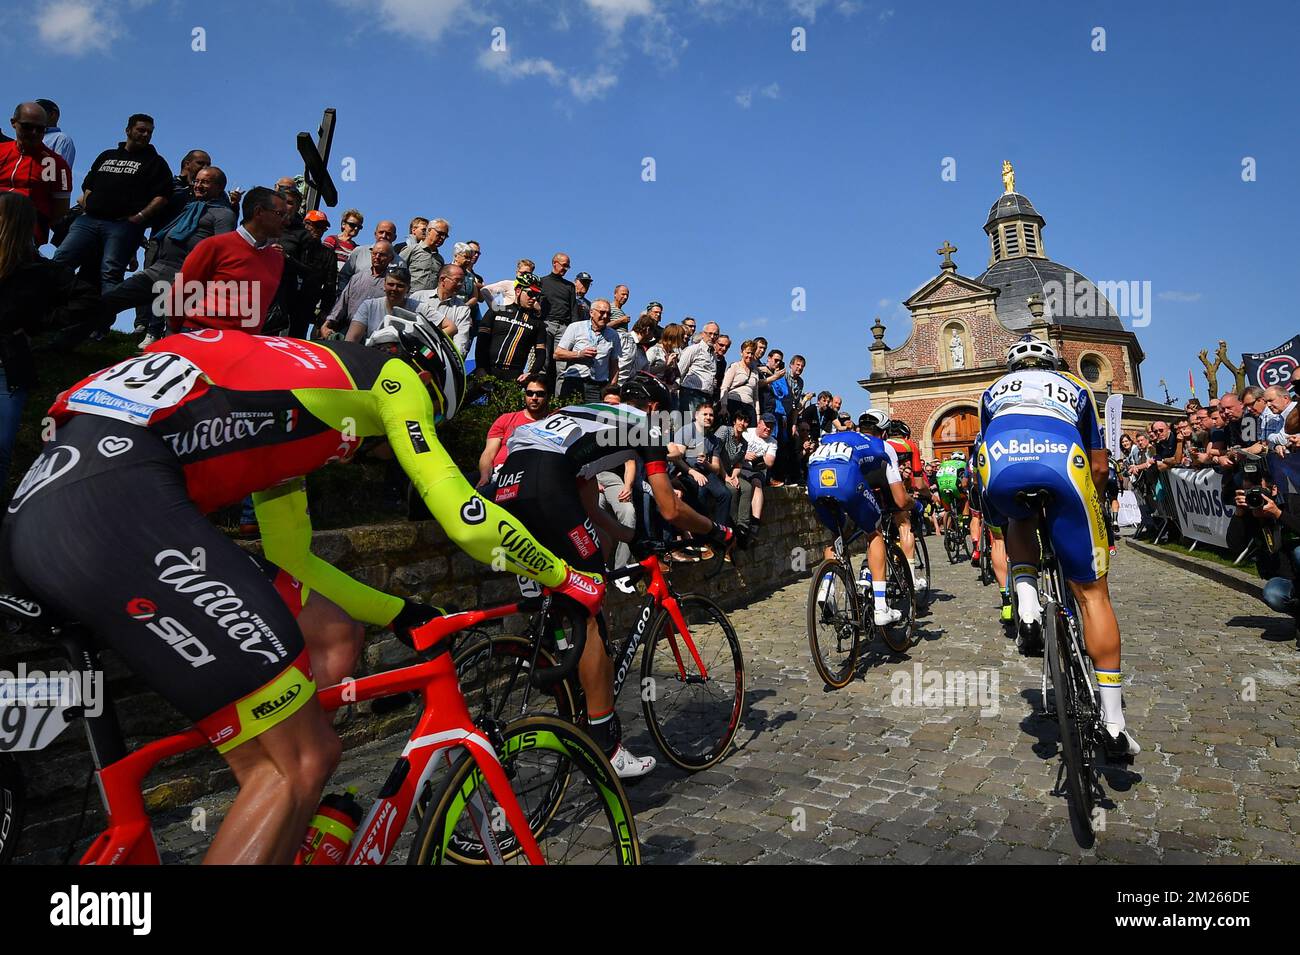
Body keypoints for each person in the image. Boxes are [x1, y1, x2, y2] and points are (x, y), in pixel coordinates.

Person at [1, 313, 603, 865]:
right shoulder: (396, 378)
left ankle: (291, 816)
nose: (366, 452)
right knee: (300, 762)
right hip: (116, 502)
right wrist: (566, 576)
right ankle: (289, 783)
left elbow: (291, 556)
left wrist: (403, 610)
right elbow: (465, 517)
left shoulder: (286, 390)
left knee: (333, 633)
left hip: (45, 506)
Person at [494, 371, 740, 778]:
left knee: (562, 595)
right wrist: (719, 531)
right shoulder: (646, 426)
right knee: (591, 610)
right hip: (546, 486)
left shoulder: (584, 414)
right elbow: (670, 509)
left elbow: (588, 501)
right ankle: (605, 745)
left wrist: (630, 535)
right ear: (657, 408)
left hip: (508, 485)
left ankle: (565, 687)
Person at [977, 335, 1138, 759]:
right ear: (1053, 365)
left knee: (1017, 516)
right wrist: (1093, 504)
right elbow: (1100, 464)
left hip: (1001, 462)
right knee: (1092, 595)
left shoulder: (991, 391)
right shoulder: (1076, 386)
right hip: (1063, 462)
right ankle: (1115, 724)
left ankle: (1025, 601)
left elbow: (983, 442)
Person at [0, 193, 99, 491]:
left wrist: (40, 323)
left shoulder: (40, 270)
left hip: (8, 367)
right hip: (10, 367)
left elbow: (88, 299)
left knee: (1, 449)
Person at [96, 164, 235, 348]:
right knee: (111, 300)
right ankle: (68, 338)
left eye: (206, 182)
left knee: (173, 328)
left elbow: (222, 251)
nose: (199, 185)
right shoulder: (188, 207)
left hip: (185, 278)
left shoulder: (224, 215)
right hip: (158, 269)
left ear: (219, 187)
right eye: (197, 181)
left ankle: (167, 362)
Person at [807, 413, 912, 626]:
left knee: (837, 535)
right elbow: (900, 500)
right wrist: (914, 505)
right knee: (874, 533)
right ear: (883, 432)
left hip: (814, 478)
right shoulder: (884, 446)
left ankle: (826, 589)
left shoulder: (837, 436)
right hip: (845, 477)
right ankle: (881, 608)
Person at [53, 113, 173, 291]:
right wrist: (88, 208)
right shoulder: (107, 155)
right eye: (141, 130)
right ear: (128, 130)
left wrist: (139, 217)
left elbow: (162, 196)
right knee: (62, 259)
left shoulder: (156, 162)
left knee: (110, 272)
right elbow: (88, 186)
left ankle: (104, 312)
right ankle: (45, 304)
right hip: (89, 220)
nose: (146, 135)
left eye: (149, 132)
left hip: (121, 225)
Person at [165, 186, 285, 334]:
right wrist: (180, 333)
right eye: (280, 214)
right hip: (199, 337)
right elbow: (180, 294)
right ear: (259, 212)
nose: (287, 220)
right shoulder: (214, 246)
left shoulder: (276, 259)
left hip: (243, 346)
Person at [0, 102, 73, 244]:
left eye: (40, 129)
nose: (34, 133)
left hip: (25, 231)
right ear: (13, 123)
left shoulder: (56, 165)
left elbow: (60, 209)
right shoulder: (1, 151)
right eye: (27, 127)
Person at [477, 373, 550, 489]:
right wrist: (485, 476)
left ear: (548, 396)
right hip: (501, 475)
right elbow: (489, 453)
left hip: (536, 476)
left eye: (540, 394)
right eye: (530, 393)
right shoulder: (506, 419)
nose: (534, 398)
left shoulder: (554, 421)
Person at [474, 272, 548, 383]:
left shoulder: (538, 323)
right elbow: (481, 342)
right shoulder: (497, 310)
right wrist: (480, 368)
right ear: (518, 291)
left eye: (537, 295)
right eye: (530, 293)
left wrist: (532, 373)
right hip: (487, 370)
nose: (533, 298)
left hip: (514, 376)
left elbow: (541, 353)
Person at [319, 240, 395, 338]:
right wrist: (327, 323)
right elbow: (342, 303)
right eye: (374, 253)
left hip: (376, 335)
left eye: (382, 254)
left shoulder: (392, 283)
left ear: (391, 258)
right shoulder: (357, 278)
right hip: (349, 330)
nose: (377, 257)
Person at [554, 297, 620, 401]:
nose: (605, 316)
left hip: (598, 386)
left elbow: (614, 364)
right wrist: (579, 354)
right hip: (574, 381)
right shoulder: (575, 328)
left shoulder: (613, 335)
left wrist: (611, 388)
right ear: (591, 313)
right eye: (602, 312)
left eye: (608, 314)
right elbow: (557, 354)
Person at [719, 339, 760, 425]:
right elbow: (725, 387)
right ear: (742, 353)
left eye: (752, 353)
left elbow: (756, 397)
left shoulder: (755, 372)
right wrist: (724, 406)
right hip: (734, 403)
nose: (750, 355)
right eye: (747, 352)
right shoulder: (735, 366)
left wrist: (758, 415)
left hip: (749, 407)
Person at [35, 99, 75, 169]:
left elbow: (60, 172)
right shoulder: (27, 137)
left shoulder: (61, 139)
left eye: (37, 112)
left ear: (53, 114)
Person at [323, 209, 362, 275]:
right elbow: (323, 259)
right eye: (352, 225)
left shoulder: (358, 249)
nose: (356, 228)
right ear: (343, 224)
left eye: (359, 227)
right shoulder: (332, 240)